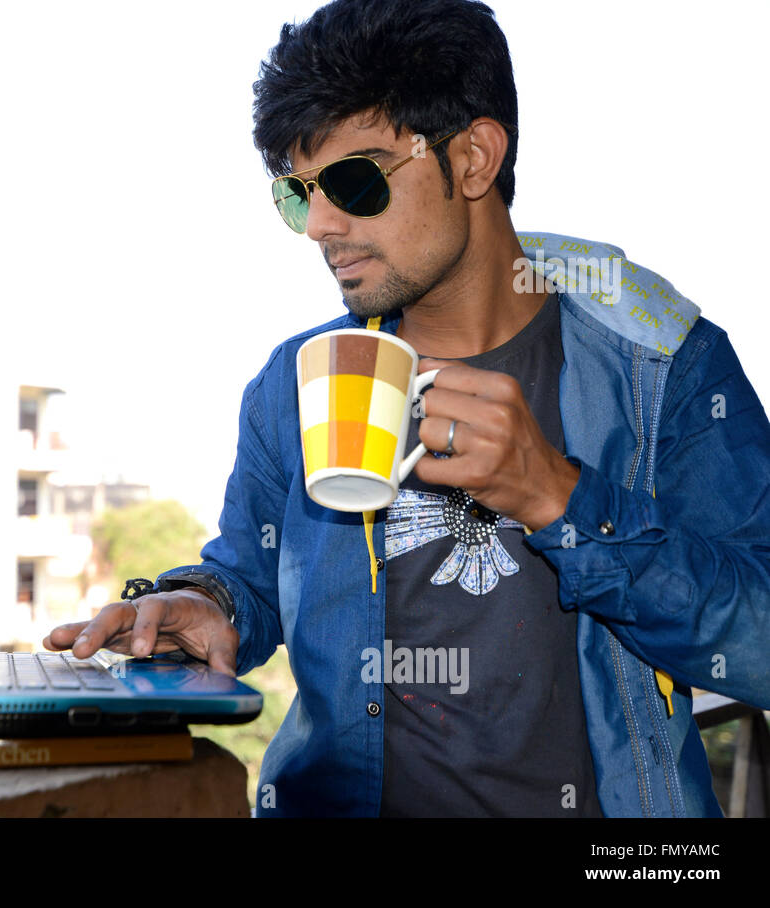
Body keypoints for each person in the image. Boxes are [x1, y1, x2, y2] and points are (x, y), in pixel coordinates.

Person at [45, 0, 770, 817]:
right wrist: (205, 607)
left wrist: (561, 499)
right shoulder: (296, 383)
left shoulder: (665, 370)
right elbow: (254, 573)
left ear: (473, 158)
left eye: (355, 180)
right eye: (297, 193)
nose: (321, 225)